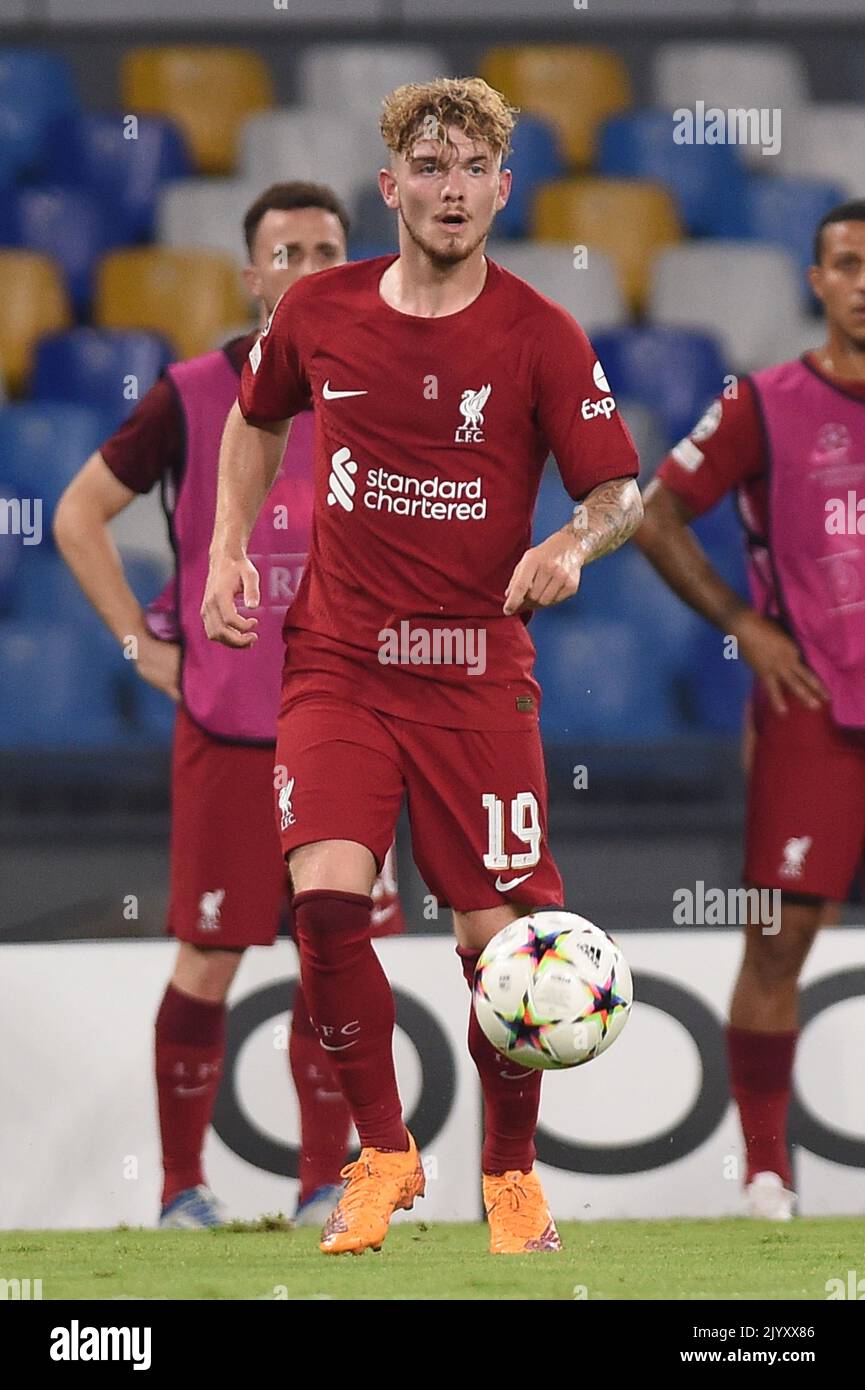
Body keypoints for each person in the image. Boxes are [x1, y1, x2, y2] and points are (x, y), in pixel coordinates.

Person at [203, 77, 642, 1256]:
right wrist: (228, 548)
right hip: (339, 660)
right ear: (390, 185)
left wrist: (569, 540)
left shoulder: (541, 332)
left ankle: (509, 1179)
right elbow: (255, 418)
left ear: (503, 189)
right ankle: (384, 1155)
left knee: (501, 948)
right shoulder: (318, 311)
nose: (452, 189)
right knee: (328, 902)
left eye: (474, 170)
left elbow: (619, 492)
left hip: (473, 673)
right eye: (430, 167)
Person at [54, 181, 406, 1230]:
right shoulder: (192, 393)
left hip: (351, 719)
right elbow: (77, 514)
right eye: (285, 251)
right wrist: (139, 645)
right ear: (252, 277)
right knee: (208, 955)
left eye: (326, 249)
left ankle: (314, 1184)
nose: (305, 266)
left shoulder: (388, 389)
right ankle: (178, 1191)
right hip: (228, 726)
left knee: (329, 955)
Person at [634, 199, 865, 1219]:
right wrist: (743, 620)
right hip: (812, 704)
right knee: (776, 937)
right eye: (848, 264)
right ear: (815, 283)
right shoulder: (763, 404)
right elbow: (653, 513)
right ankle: (768, 1172)